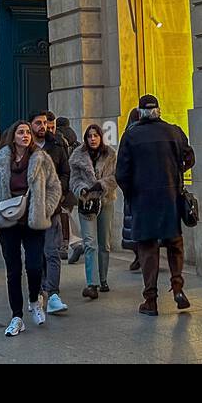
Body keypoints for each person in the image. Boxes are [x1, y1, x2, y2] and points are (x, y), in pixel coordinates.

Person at [115, 94, 194, 315]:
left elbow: (121, 172)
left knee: (148, 248)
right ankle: (178, 287)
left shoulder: (131, 135)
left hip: (143, 199)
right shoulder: (174, 131)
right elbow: (190, 158)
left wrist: (131, 192)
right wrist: (176, 173)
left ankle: (151, 299)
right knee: (174, 243)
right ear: (158, 110)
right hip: (170, 196)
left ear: (140, 112)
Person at [0, 120, 62, 337]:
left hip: (33, 221)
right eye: (21, 132)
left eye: (28, 132)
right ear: (13, 136)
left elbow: (55, 186)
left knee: (35, 266)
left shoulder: (41, 158)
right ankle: (16, 316)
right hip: (9, 222)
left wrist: (45, 209)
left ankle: (35, 299)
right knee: (13, 270)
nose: (26, 136)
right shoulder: (2, 160)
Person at [69, 123, 117, 299]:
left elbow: (115, 177)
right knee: (90, 243)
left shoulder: (110, 154)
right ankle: (92, 283)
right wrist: (82, 189)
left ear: (100, 137)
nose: (93, 139)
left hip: (105, 201)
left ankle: (103, 279)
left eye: (95, 135)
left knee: (104, 243)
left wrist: (102, 184)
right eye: (89, 136)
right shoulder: (77, 157)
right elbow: (73, 181)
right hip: (86, 202)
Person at [30, 112, 71, 315]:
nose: (42, 126)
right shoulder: (24, 147)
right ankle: (37, 292)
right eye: (38, 123)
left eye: (45, 123)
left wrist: (59, 190)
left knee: (52, 252)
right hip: (30, 211)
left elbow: (66, 171)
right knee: (35, 255)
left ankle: (53, 293)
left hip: (52, 207)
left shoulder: (56, 145)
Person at [120, 106, 142, 271]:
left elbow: (122, 167)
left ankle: (139, 256)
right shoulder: (134, 135)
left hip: (133, 189)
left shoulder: (128, 135)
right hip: (140, 188)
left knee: (134, 225)